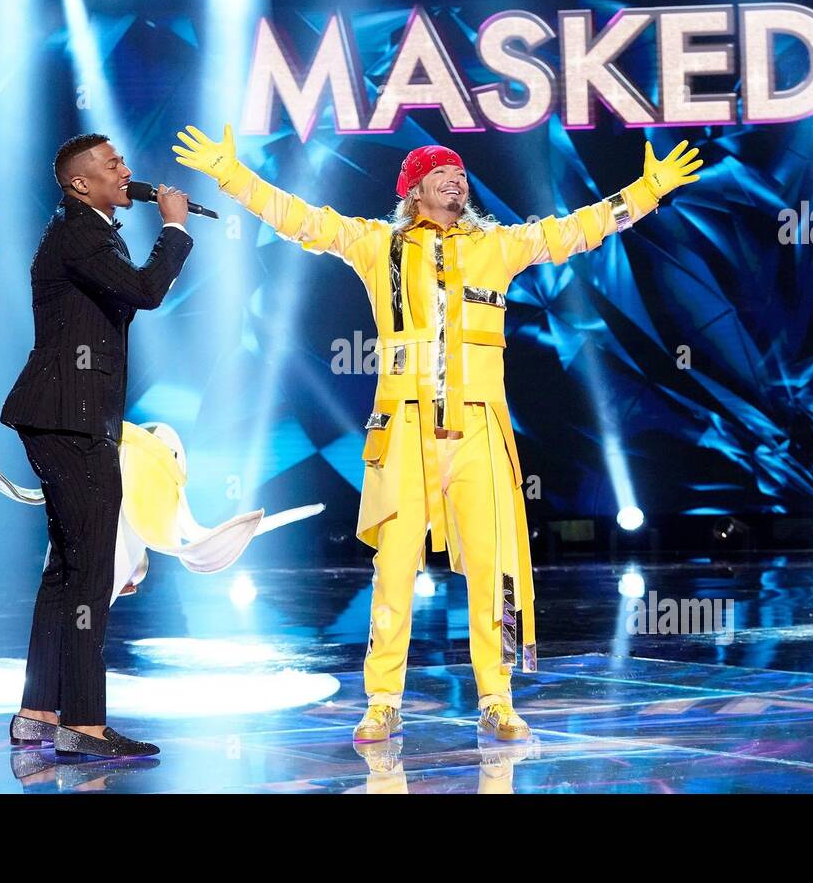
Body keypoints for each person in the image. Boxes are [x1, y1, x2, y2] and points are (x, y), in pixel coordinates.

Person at [174, 124, 702, 742]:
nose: (458, 178)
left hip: (479, 426)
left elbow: (577, 230)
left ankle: (497, 697)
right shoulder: (377, 244)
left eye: (461, 172)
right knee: (394, 568)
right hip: (404, 428)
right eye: (443, 171)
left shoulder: (499, 246)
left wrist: (647, 189)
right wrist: (232, 175)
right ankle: (382, 699)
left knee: (493, 566)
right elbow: (299, 220)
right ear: (414, 188)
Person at [0, 133, 193, 759]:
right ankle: (82, 725)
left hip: (69, 416)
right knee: (89, 571)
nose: (126, 170)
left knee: (67, 568)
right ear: (81, 183)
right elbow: (145, 290)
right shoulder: (80, 231)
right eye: (112, 165)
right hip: (69, 419)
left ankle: (36, 713)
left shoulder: (91, 231)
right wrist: (175, 231)